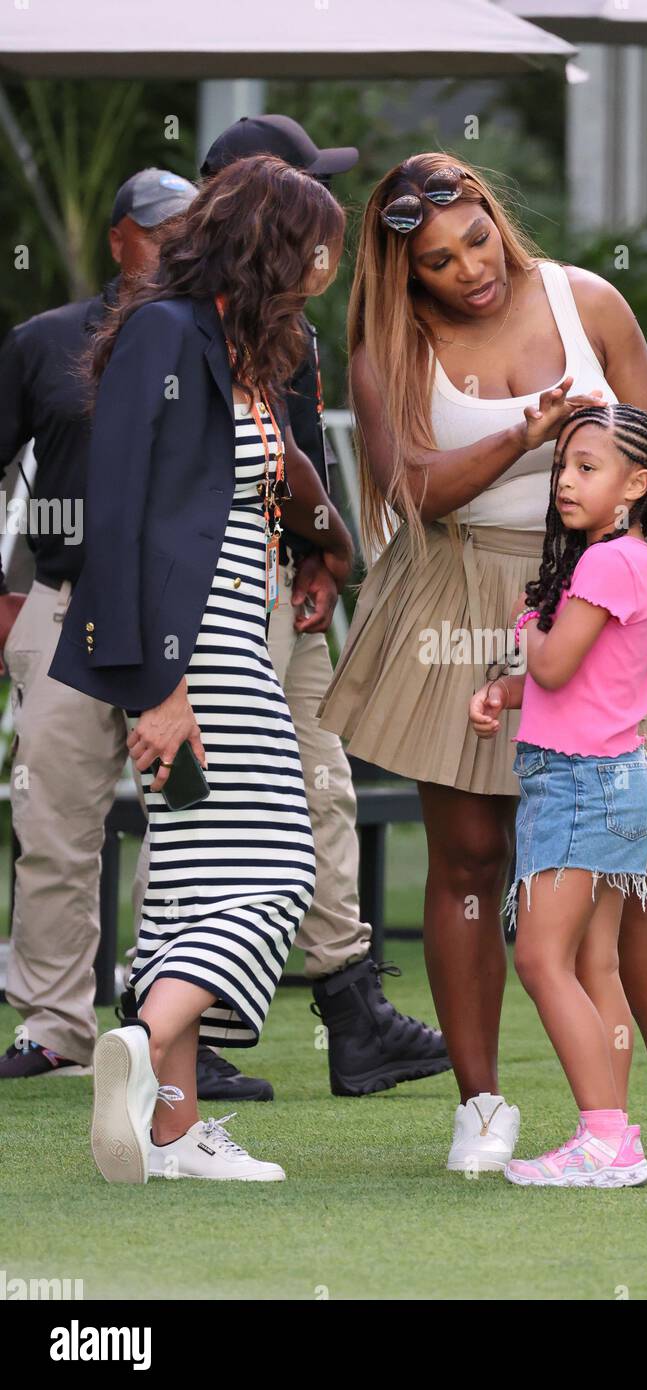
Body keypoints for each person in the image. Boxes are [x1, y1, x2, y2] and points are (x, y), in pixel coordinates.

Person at [317, 152, 647, 1180]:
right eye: (438, 261)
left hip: (591, 591)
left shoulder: (587, 298)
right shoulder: (391, 343)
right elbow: (410, 493)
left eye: (476, 238)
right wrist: (529, 437)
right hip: (458, 596)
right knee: (472, 855)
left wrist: (608, 453)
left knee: (646, 848)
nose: (469, 269)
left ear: (493, 213)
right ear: (407, 272)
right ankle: (481, 1104)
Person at [48, 154, 342, 1183]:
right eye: (319, 246)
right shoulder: (165, 335)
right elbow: (116, 515)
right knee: (278, 869)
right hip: (195, 653)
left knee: (185, 882)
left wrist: (319, 543)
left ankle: (172, 1128)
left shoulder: (227, 342)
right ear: (272, 242)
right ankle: (144, 1037)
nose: (329, 267)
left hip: (219, 641)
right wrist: (159, 686)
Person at [191, 114, 449, 1097]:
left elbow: (299, 458)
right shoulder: (181, 317)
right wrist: (330, 542)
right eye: (302, 188)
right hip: (209, 586)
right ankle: (187, 1022)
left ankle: (350, 1010)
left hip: (284, 577)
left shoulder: (283, 320)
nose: (324, 210)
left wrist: (316, 554)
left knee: (321, 787)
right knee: (205, 803)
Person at [0, 169, 214, 1083]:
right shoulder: (44, 341)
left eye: (188, 228)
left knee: (184, 824)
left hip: (180, 620)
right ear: (121, 238)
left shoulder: (220, 335)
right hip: (61, 608)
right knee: (50, 821)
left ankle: (157, 1026)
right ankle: (52, 1026)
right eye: (159, 229)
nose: (173, 242)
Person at [470, 403, 647, 1187]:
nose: (565, 481)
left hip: (582, 787)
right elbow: (575, 683)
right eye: (563, 466)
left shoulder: (602, 563)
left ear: (634, 483)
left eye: (587, 468)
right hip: (618, 781)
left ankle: (605, 1139)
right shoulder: (629, 557)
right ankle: (613, 1139)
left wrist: (526, 623)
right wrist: (506, 691)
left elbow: (555, 664)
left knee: (539, 959)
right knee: (596, 967)